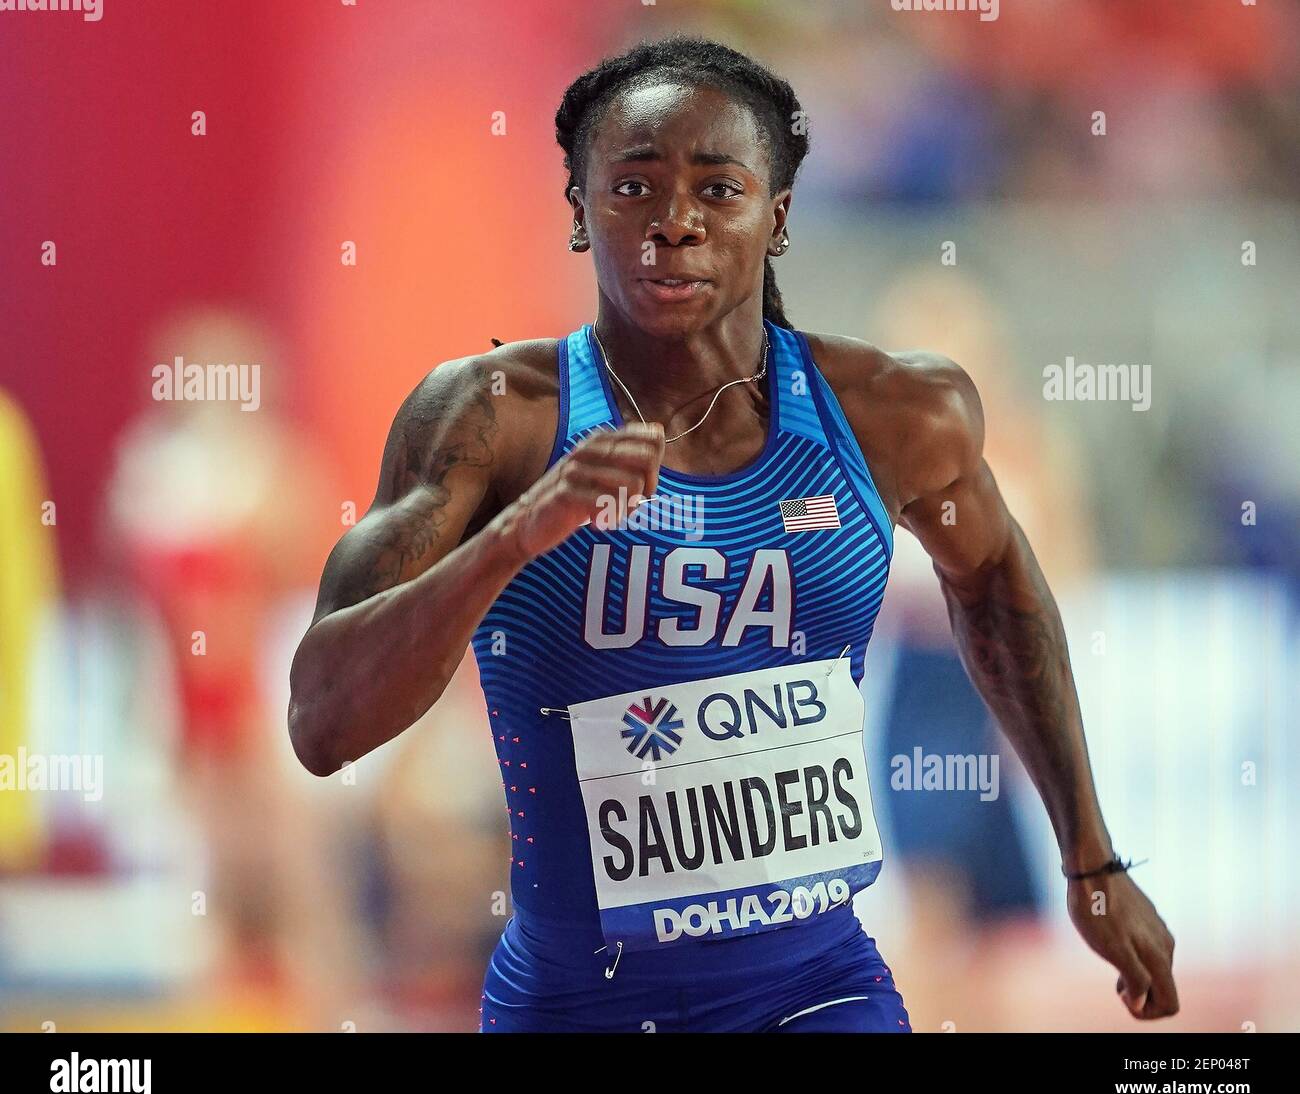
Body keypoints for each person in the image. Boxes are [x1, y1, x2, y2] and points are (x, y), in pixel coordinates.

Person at [287, 35, 1177, 1032]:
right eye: (634, 187)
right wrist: (513, 541)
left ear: (777, 216)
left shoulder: (895, 414)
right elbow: (321, 725)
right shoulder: (489, 419)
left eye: (717, 189)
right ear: (579, 211)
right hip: (577, 1003)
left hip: (816, 990)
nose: (674, 224)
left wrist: (1092, 862)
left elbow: (1001, 589)